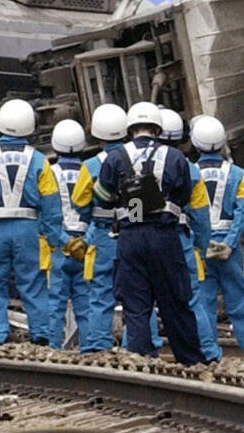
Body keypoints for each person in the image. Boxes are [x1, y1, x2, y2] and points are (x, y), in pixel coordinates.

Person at [90, 101, 210, 365]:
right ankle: (191, 362)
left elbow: (101, 198)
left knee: (136, 306)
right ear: (158, 128)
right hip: (165, 237)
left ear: (130, 128)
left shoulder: (115, 157)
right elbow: (183, 196)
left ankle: (143, 359)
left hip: (130, 238)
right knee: (176, 302)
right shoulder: (176, 157)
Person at [0, 98, 62, 346]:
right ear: (31, 126)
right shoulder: (40, 161)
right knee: (33, 283)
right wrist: (53, 239)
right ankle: (44, 337)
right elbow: (51, 206)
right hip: (28, 231)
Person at [190, 115, 244, 359]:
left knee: (202, 302)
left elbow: (187, 211)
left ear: (195, 142)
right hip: (230, 249)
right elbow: (243, 214)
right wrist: (229, 243)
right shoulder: (239, 175)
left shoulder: (189, 173)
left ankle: (208, 354)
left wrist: (202, 243)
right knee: (242, 302)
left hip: (199, 249)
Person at [159, 108, 217, 361]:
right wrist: (203, 248)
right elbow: (201, 215)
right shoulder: (190, 169)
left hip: (144, 234)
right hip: (179, 236)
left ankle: (142, 353)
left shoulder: (134, 161)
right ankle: (208, 352)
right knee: (192, 297)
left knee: (143, 299)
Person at [71, 102, 128, 352]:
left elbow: (79, 202)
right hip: (132, 232)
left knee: (99, 293)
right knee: (138, 293)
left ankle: (97, 346)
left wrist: (95, 216)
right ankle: (140, 346)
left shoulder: (90, 166)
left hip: (103, 235)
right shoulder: (134, 157)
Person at [47, 118, 90, 349]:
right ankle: (89, 351)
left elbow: (45, 215)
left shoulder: (49, 173)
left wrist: (64, 241)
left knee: (55, 304)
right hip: (85, 246)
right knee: (85, 304)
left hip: (59, 246)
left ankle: (53, 352)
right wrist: (84, 242)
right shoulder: (90, 170)